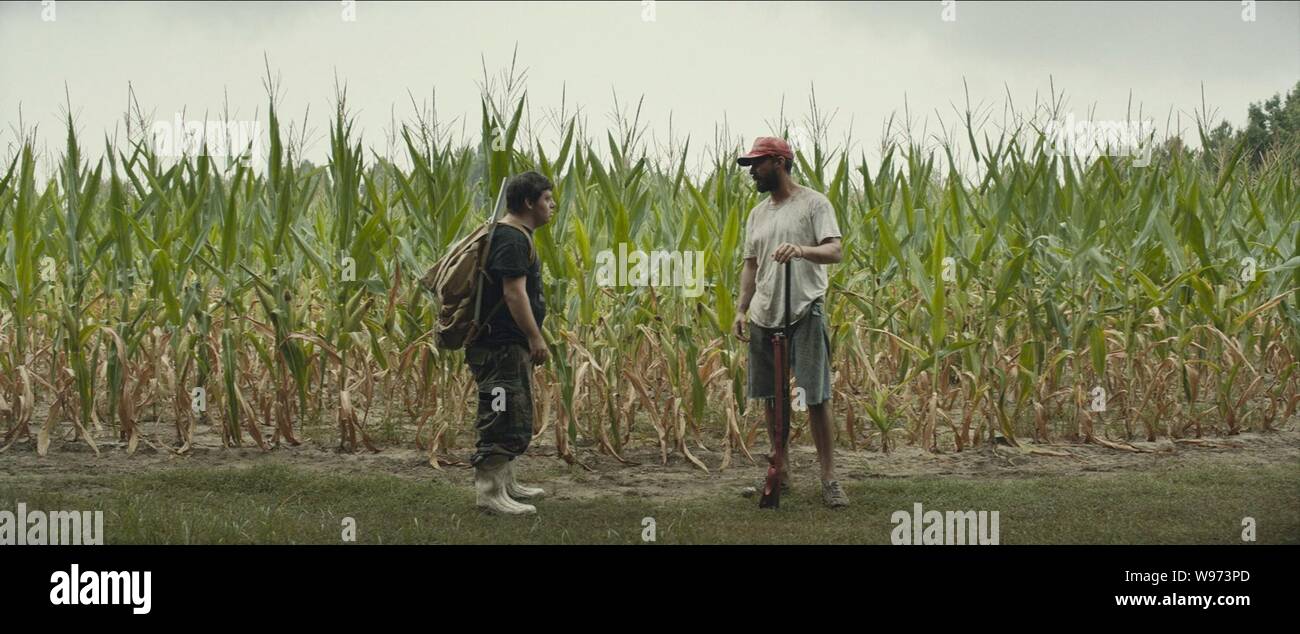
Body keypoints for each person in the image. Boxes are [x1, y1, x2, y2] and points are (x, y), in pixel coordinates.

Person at [732, 137, 849, 508]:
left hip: (803, 309)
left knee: (814, 396)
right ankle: (779, 470)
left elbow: (835, 250)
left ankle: (829, 478)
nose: (752, 172)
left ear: (779, 163)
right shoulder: (757, 214)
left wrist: (801, 250)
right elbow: (751, 264)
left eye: (758, 164)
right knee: (772, 396)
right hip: (765, 313)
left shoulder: (814, 203)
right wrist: (741, 308)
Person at [466, 171, 556, 515]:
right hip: (500, 345)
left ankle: (506, 483)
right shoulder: (512, 239)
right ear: (529, 202)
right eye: (547, 199)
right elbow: (513, 293)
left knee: (513, 412)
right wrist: (535, 337)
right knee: (500, 412)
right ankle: (489, 492)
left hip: (505, 346)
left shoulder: (514, 235)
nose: (552, 205)